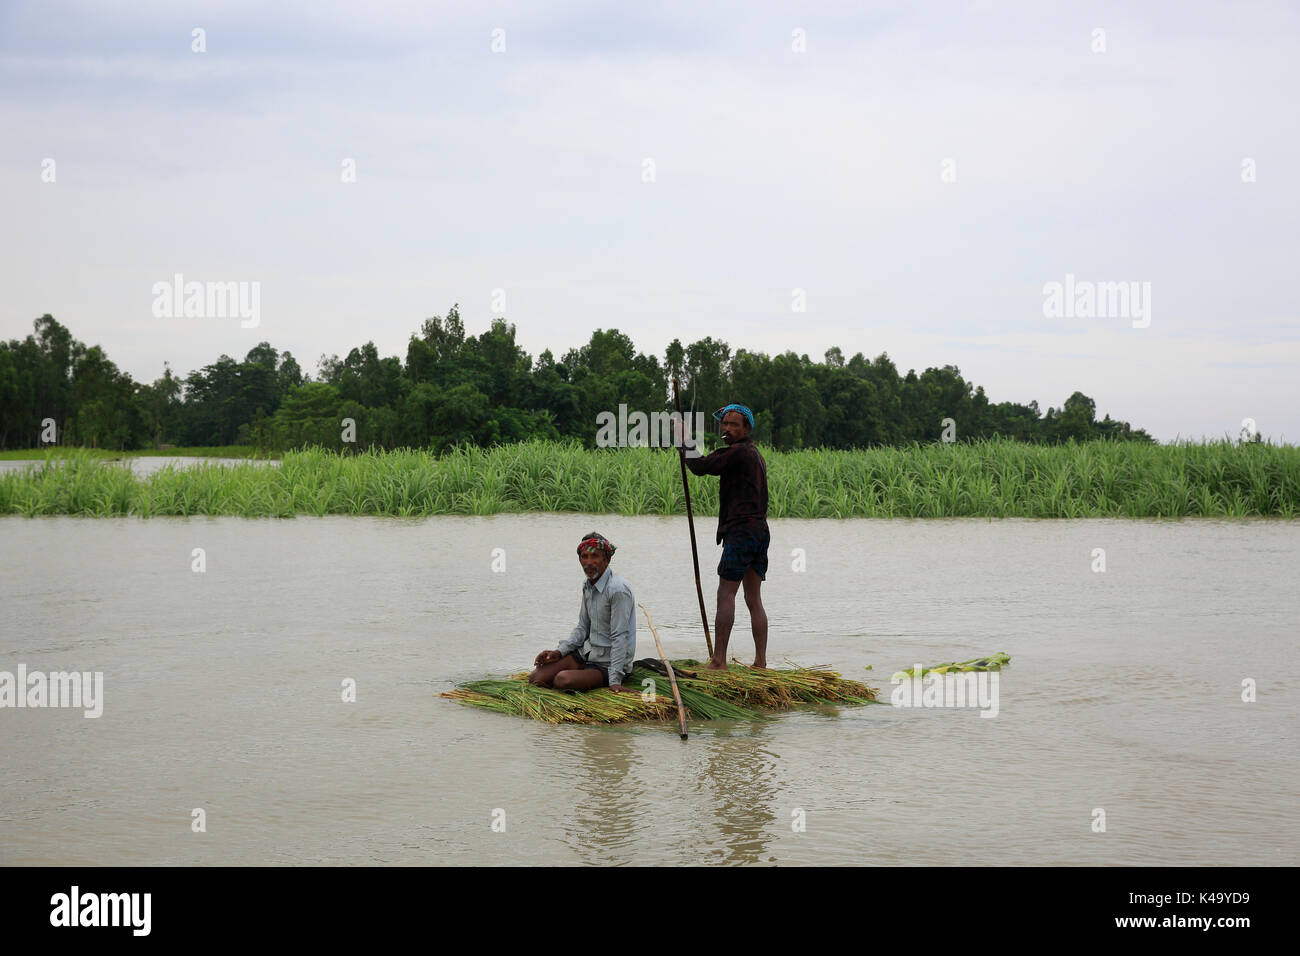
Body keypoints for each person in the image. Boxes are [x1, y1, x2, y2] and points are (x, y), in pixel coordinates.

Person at [678, 403, 769, 670]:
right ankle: (760, 663)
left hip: (743, 531)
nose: (727, 429)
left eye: (734, 425)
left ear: (746, 429)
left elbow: (700, 465)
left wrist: (683, 439)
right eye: (725, 424)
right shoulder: (752, 454)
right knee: (753, 598)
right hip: (759, 531)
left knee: (725, 594)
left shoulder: (740, 453)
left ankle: (718, 661)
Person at [529, 532, 639, 694]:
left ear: (606, 559)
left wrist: (615, 680)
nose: (588, 563)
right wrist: (559, 652)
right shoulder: (588, 586)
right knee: (536, 678)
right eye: (584, 556)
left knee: (562, 680)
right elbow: (582, 627)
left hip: (607, 664)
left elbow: (620, 637)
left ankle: (598, 679)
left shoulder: (617, 589)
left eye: (594, 556)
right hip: (587, 654)